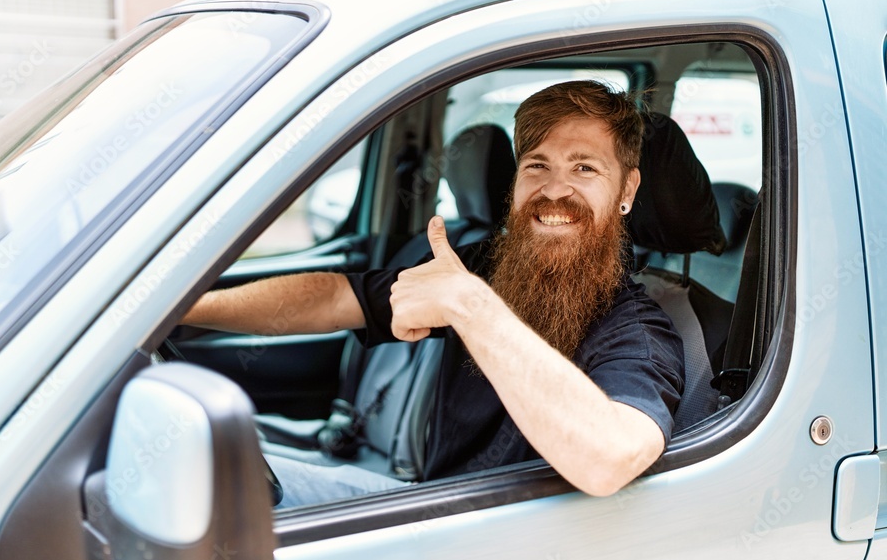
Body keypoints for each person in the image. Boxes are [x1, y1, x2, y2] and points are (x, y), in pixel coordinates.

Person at [182, 80, 684, 503]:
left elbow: (611, 458)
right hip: (428, 503)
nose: (555, 190)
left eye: (584, 168)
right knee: (201, 476)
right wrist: (186, 310)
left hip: (486, 548)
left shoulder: (635, 329)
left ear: (627, 191)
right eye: (537, 165)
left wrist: (470, 306)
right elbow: (337, 297)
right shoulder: (484, 264)